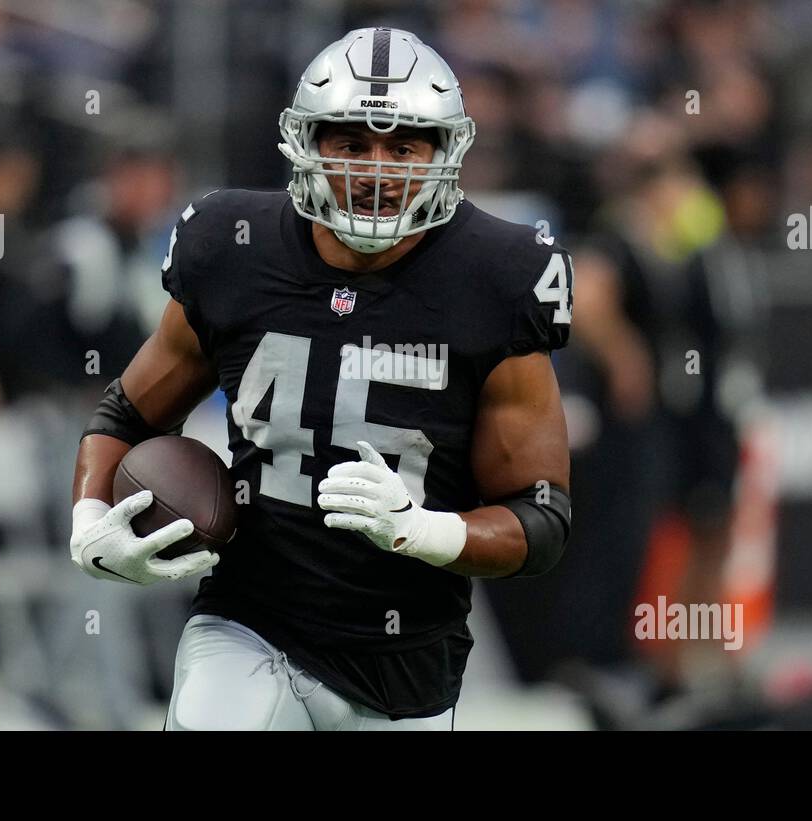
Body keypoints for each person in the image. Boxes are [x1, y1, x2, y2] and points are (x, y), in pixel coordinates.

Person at [67, 27, 574, 730]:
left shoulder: (497, 273)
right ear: (306, 144)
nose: (376, 170)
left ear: (445, 152)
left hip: (411, 662)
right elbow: (128, 414)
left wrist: (422, 531)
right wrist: (91, 519)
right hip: (252, 623)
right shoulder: (231, 245)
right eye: (352, 143)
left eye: (403, 147)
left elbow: (541, 516)